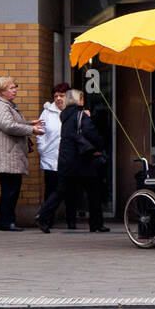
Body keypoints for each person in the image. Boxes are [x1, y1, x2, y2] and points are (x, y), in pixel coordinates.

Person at [38, 90, 108, 232]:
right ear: (79, 100)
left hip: (66, 160)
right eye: (82, 98)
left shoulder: (65, 117)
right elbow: (91, 134)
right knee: (93, 192)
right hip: (82, 160)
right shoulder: (81, 115)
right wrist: (100, 146)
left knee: (60, 191)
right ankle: (96, 224)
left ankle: (43, 215)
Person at [0, 76, 42, 231]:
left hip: (10, 153)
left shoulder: (8, 106)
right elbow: (8, 126)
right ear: (2, 90)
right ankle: (5, 222)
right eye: (11, 88)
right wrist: (31, 130)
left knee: (12, 188)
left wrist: (30, 123)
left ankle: (6, 221)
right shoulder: (0, 106)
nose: (14, 90)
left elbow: (13, 124)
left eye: (15, 87)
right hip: (6, 153)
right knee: (9, 189)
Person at [35, 82, 70, 231]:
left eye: (61, 95)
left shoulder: (72, 111)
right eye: (55, 96)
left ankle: (70, 221)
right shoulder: (47, 112)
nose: (58, 99)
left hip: (67, 158)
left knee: (66, 190)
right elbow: (39, 131)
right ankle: (46, 220)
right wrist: (42, 149)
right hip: (50, 157)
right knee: (51, 189)